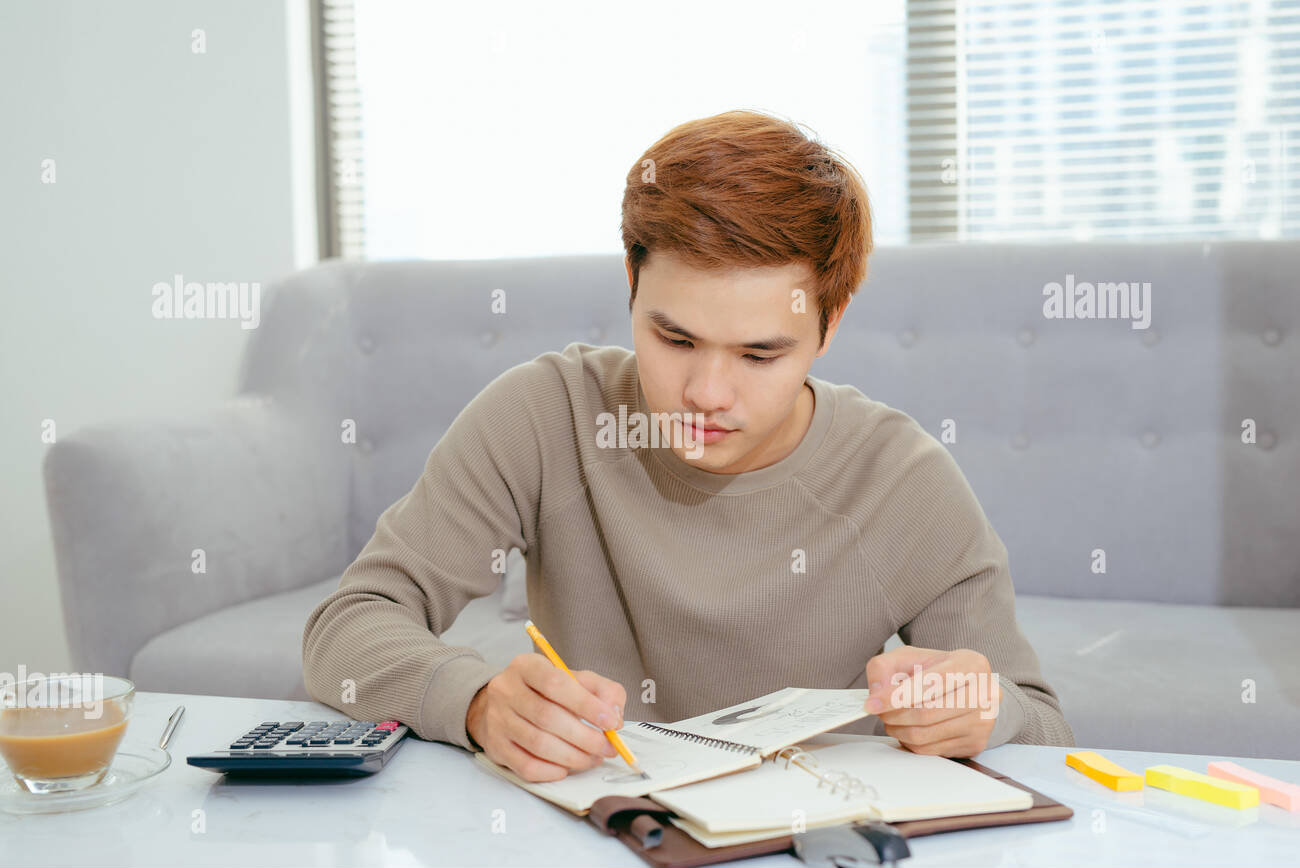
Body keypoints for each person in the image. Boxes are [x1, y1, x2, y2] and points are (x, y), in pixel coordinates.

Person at [302, 109, 1074, 783]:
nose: (707, 392)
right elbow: (350, 622)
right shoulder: (545, 415)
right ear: (631, 284)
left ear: (828, 328)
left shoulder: (901, 478)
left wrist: (984, 711)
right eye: (674, 337)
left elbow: (1043, 726)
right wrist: (470, 699)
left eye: (759, 355)